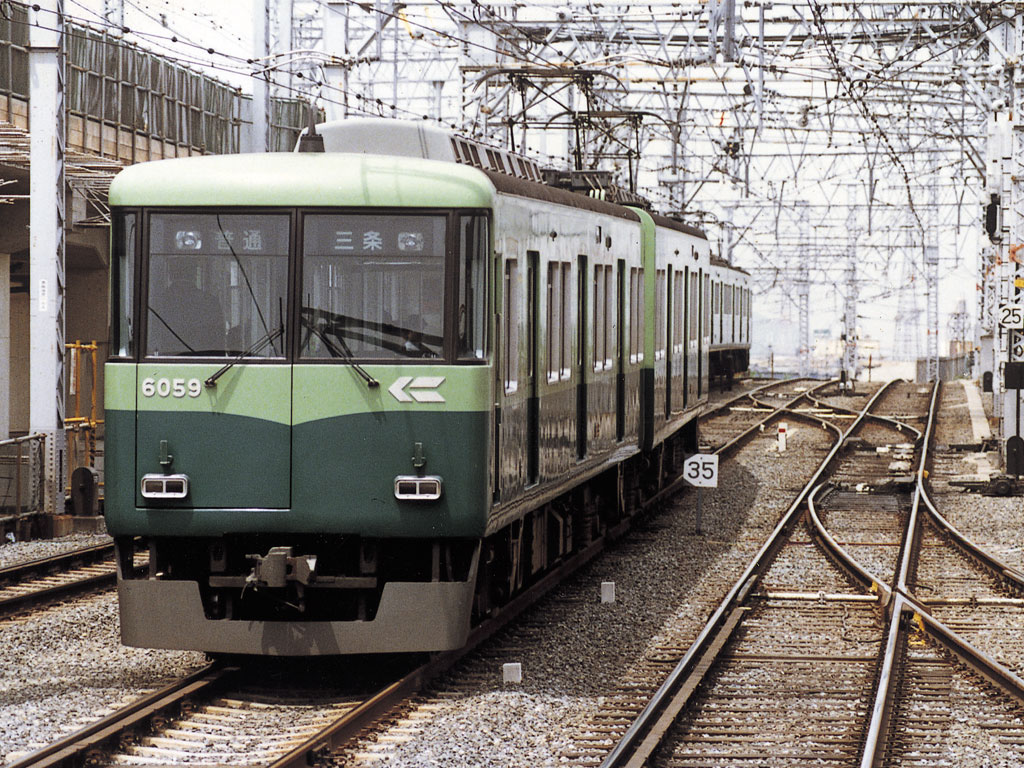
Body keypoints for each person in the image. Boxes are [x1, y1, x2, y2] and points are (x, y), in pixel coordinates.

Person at [147, 257, 226, 356]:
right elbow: (219, 340)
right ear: (194, 274)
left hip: (167, 360)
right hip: (206, 361)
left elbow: (152, 336)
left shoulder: (158, 301)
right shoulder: (210, 301)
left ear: (170, 274)